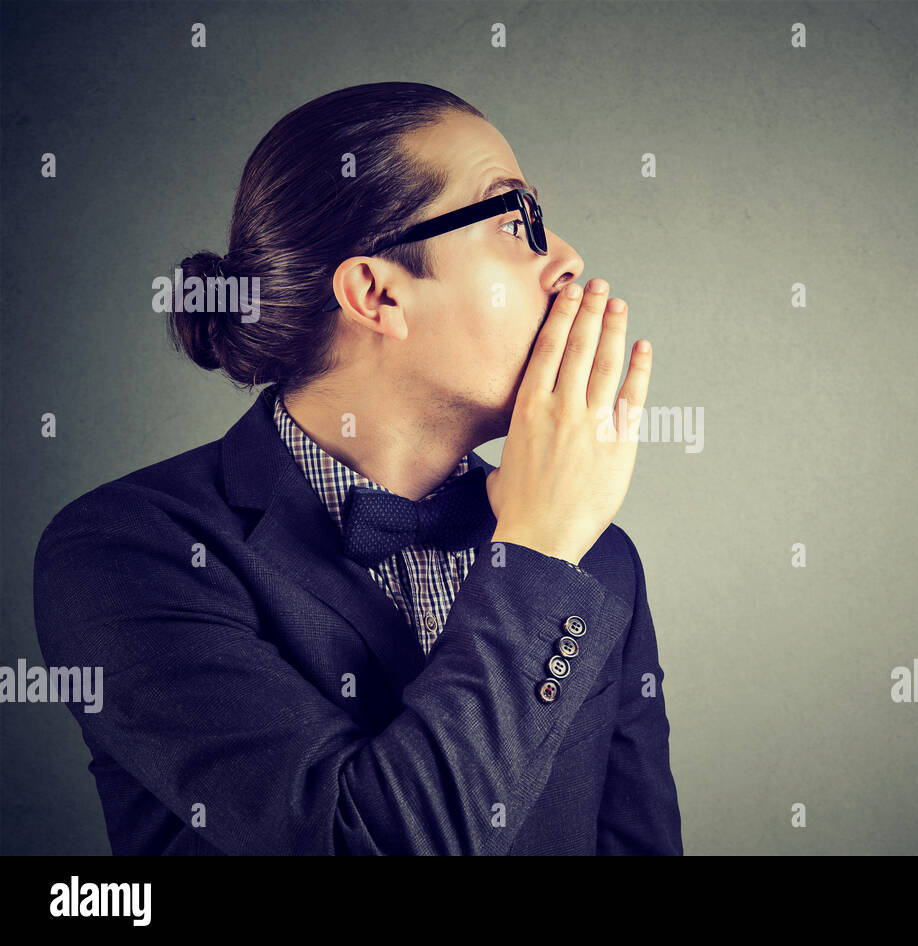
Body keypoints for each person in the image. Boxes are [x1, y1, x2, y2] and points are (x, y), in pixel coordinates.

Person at [32, 82, 683, 855]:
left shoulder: (598, 558)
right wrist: (536, 554)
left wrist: (552, 546)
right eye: (516, 221)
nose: (566, 258)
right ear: (376, 293)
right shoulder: (129, 549)